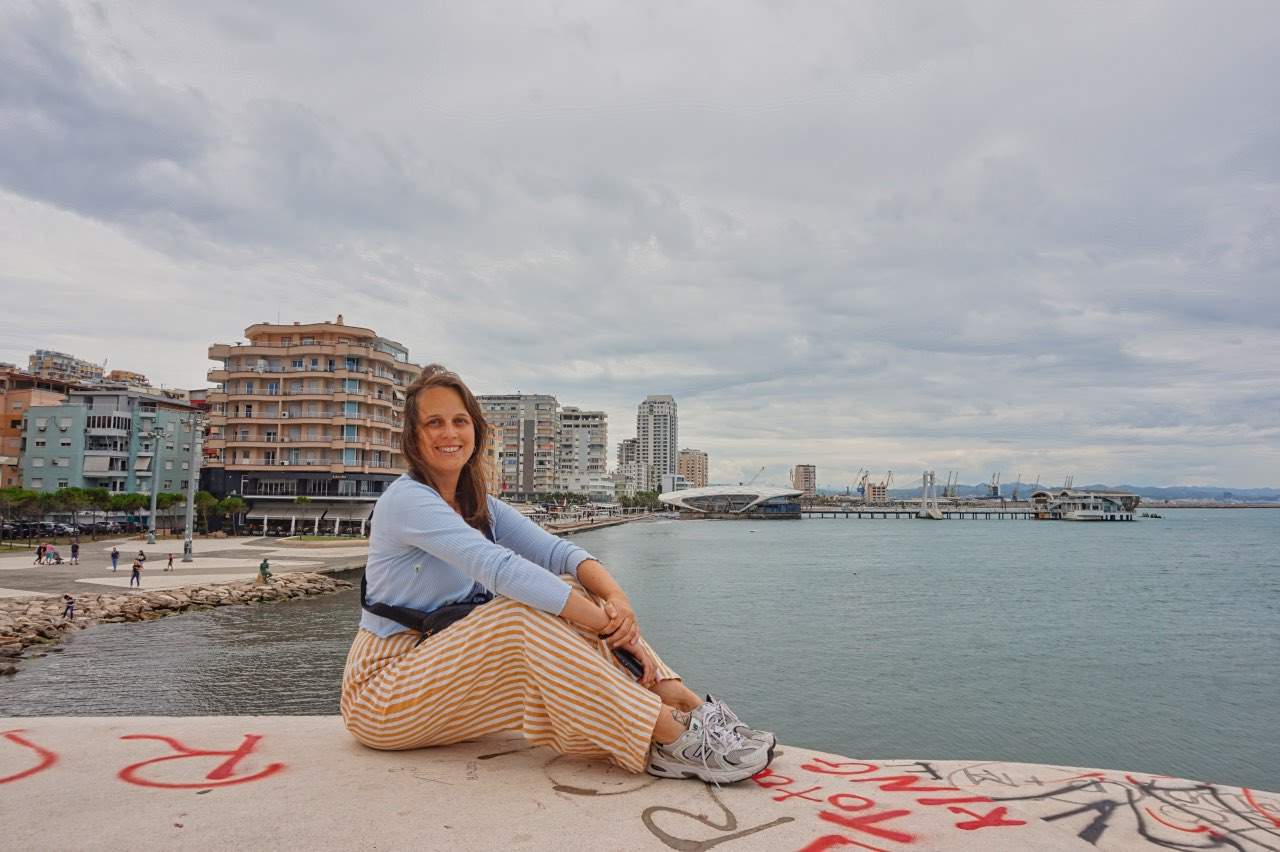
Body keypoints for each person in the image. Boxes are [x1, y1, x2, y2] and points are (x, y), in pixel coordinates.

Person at [341, 365, 774, 784]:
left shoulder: (478, 504)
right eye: (434, 422)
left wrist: (619, 604)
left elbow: (559, 552)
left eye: (459, 420)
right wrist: (609, 626)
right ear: (414, 438)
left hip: (441, 672)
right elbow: (500, 568)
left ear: (475, 429)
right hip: (383, 692)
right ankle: (670, 736)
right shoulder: (407, 501)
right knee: (518, 614)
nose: (450, 433)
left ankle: (686, 704)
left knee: (569, 587)